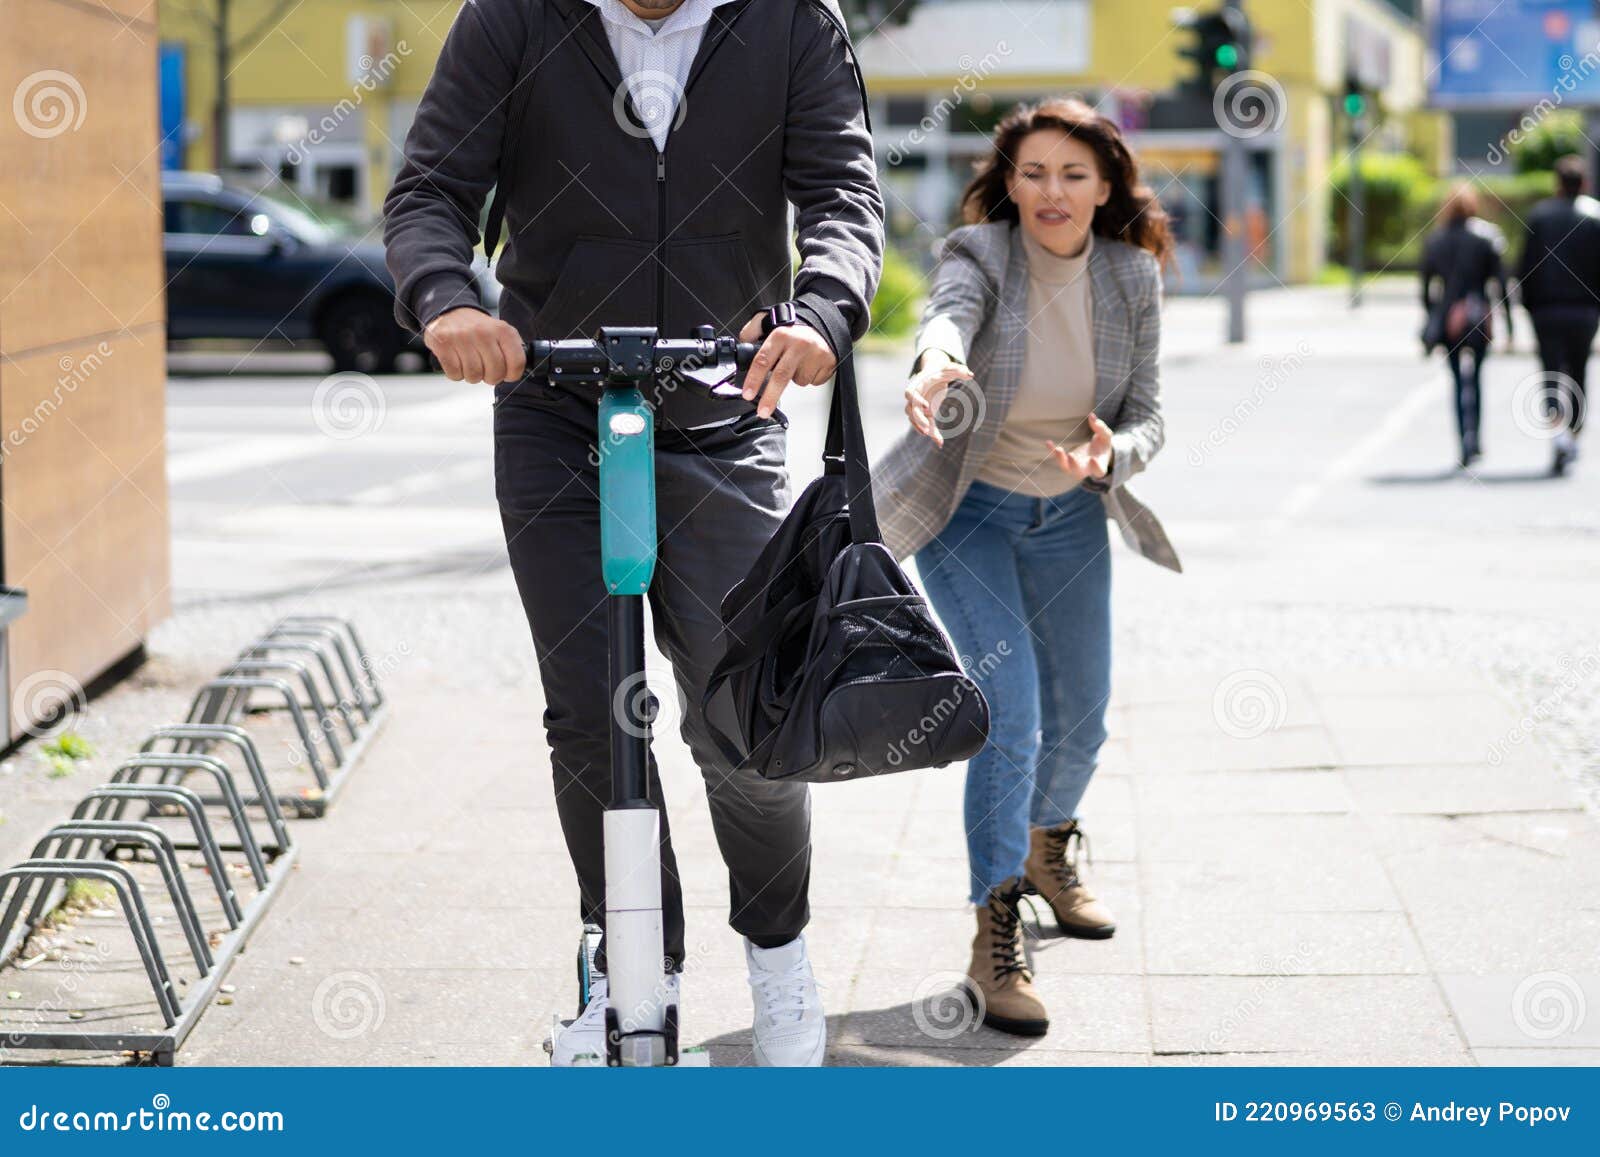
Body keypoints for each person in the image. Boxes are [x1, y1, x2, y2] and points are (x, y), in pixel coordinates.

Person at [382, 0, 884, 1066]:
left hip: (721, 404)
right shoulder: (513, 18)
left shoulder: (791, 21)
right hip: (556, 403)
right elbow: (433, 188)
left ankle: (777, 943)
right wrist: (443, 296)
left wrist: (822, 308)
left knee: (744, 714)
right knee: (589, 715)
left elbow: (841, 190)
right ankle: (628, 959)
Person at [872, 97, 1181, 1038]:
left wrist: (1110, 455)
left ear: (1105, 187)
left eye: (1073, 174)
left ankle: (1049, 847)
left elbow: (1151, 415)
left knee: (1083, 712)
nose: (1052, 190)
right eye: (1033, 172)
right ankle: (993, 931)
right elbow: (948, 319)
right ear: (1008, 183)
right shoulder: (983, 255)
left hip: (1072, 512)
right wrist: (933, 361)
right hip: (971, 510)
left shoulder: (1132, 276)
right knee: (1011, 712)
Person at [1517, 154, 1600, 476]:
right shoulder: (1595, 217)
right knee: (1579, 373)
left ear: (1557, 183)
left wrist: (1529, 306)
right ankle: (1573, 436)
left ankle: (1559, 434)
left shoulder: (1539, 217)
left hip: (1547, 310)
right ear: (1584, 183)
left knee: (1551, 375)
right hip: (1584, 311)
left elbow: (1525, 268)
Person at [1420, 183, 1513, 467]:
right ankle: (1477, 440)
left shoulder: (1436, 240)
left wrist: (1435, 316)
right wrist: (1510, 326)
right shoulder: (1487, 236)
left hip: (1451, 318)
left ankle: (1463, 441)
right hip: (1479, 315)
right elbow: (1501, 285)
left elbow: (1425, 289)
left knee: (1459, 381)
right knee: (1477, 379)